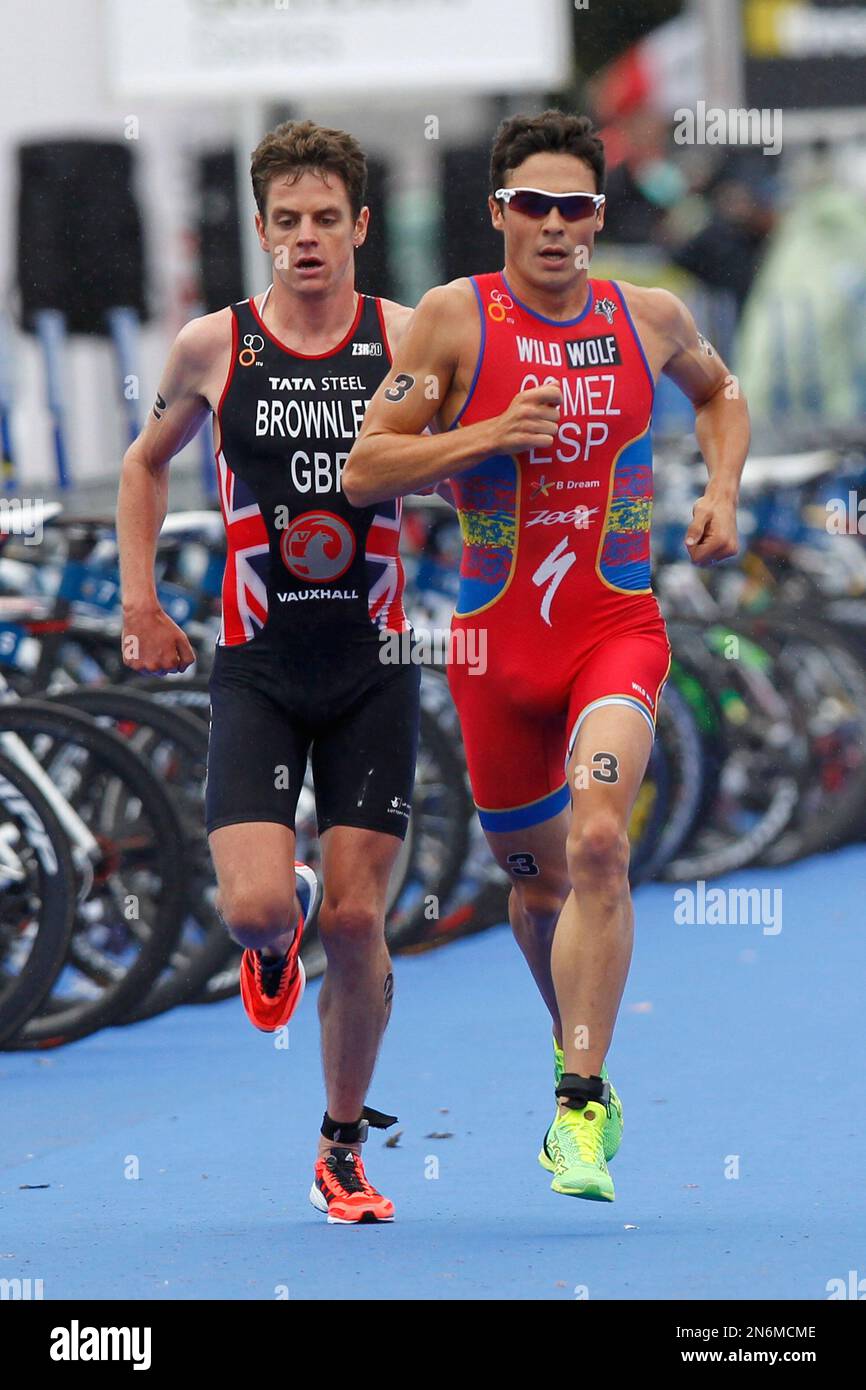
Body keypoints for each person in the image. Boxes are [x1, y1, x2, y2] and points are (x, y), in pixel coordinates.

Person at [344, 109, 748, 1203]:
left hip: (613, 629)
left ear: (599, 216)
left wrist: (717, 489)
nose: (556, 224)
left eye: (576, 206)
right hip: (492, 648)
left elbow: (721, 394)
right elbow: (363, 467)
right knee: (535, 890)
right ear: (498, 213)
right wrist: (484, 436)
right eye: (534, 204)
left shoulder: (648, 316)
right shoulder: (449, 323)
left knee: (602, 842)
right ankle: (585, 1062)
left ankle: (573, 1106)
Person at [117, 120, 420, 1225]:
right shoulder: (213, 345)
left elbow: (468, 471)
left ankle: (340, 1146)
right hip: (256, 666)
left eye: (324, 220)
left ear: (359, 228)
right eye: (284, 221)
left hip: (375, 666)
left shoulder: (403, 337)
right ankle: (273, 915)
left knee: (356, 924)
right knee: (255, 911)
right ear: (258, 230)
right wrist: (139, 602)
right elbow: (143, 465)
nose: (304, 239)